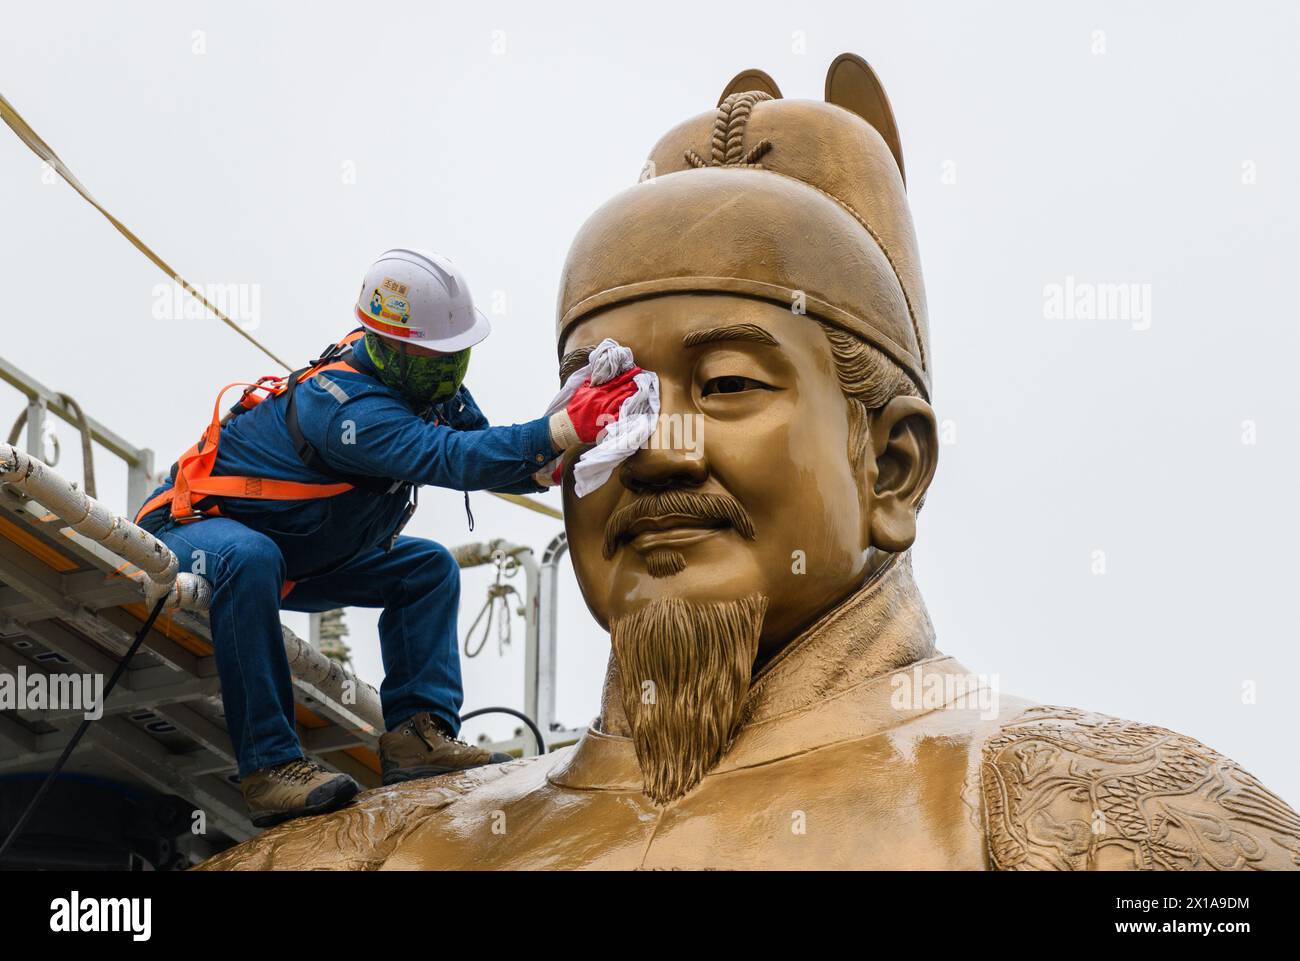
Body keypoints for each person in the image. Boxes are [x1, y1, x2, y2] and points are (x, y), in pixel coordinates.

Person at [197, 59, 1300, 869]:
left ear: (893, 464)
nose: (655, 449)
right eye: (614, 397)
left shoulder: (1104, 817)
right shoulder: (350, 856)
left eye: (725, 384)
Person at [136, 247, 638, 827]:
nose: (449, 371)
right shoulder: (345, 409)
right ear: (388, 347)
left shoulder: (430, 391)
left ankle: (415, 737)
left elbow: (496, 459)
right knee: (250, 557)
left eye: (457, 354)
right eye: (434, 357)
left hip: (296, 552)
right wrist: (565, 425)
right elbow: (450, 457)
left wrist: (584, 442)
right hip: (194, 530)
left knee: (425, 569)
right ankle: (270, 767)